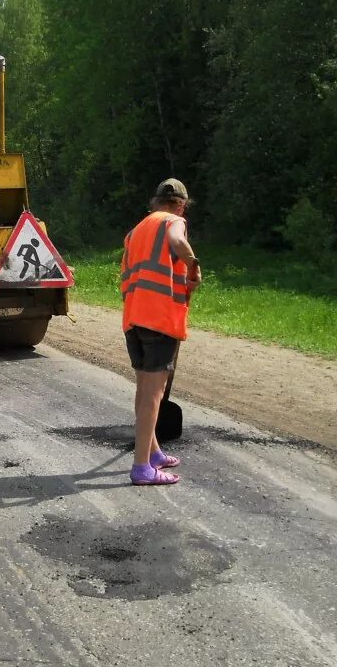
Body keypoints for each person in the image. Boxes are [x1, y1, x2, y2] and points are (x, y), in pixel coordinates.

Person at [120, 178, 201, 486]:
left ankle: (152, 452)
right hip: (159, 318)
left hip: (134, 318)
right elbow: (178, 241)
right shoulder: (173, 222)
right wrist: (193, 266)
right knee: (154, 394)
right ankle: (142, 467)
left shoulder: (136, 231)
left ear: (155, 201)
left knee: (144, 388)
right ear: (181, 204)